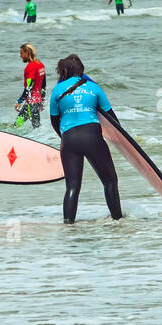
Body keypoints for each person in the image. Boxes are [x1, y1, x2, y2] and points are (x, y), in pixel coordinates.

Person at [47, 54, 122, 223]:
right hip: (92, 137)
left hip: (69, 139)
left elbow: (54, 120)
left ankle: (68, 225)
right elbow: (112, 119)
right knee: (110, 181)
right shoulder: (94, 88)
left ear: (64, 71)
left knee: (72, 186)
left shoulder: (57, 91)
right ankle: (118, 222)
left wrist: (66, 138)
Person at [15, 43, 47, 128]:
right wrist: (42, 100)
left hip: (31, 103)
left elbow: (29, 86)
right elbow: (44, 85)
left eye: (21, 53)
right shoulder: (40, 65)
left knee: (33, 127)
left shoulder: (31, 67)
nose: (20, 56)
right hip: (36, 101)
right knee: (20, 123)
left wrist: (19, 101)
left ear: (27, 53)